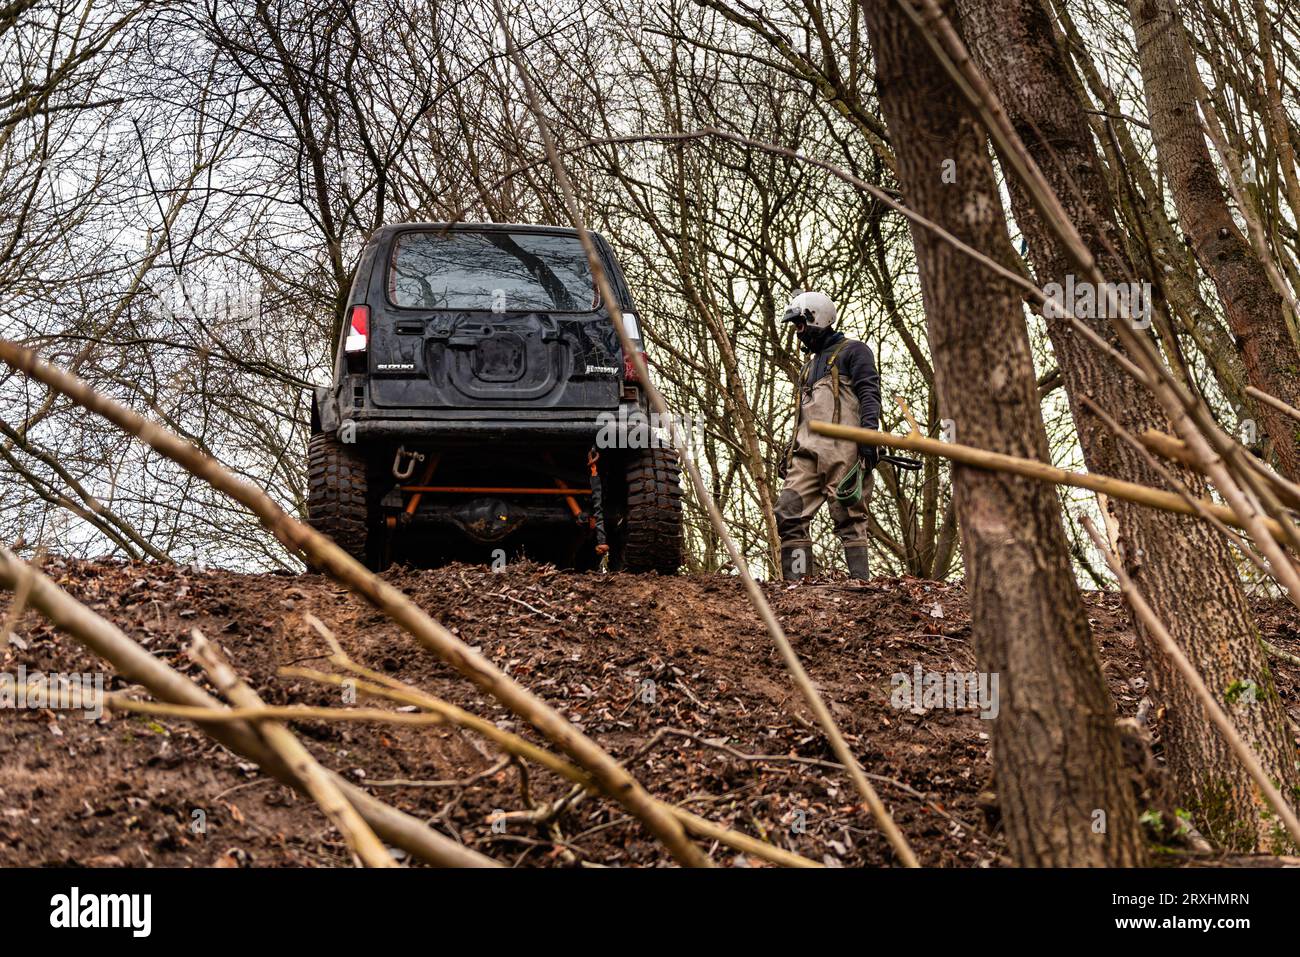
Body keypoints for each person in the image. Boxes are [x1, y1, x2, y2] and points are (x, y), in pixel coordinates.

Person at [775, 291, 881, 580]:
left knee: (848, 516)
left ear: (816, 318)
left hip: (843, 450)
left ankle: (860, 586)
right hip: (805, 452)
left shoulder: (854, 351)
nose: (798, 332)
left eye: (800, 325)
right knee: (788, 511)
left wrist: (869, 437)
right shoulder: (808, 366)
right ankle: (796, 586)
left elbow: (870, 394)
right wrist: (788, 450)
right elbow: (803, 414)